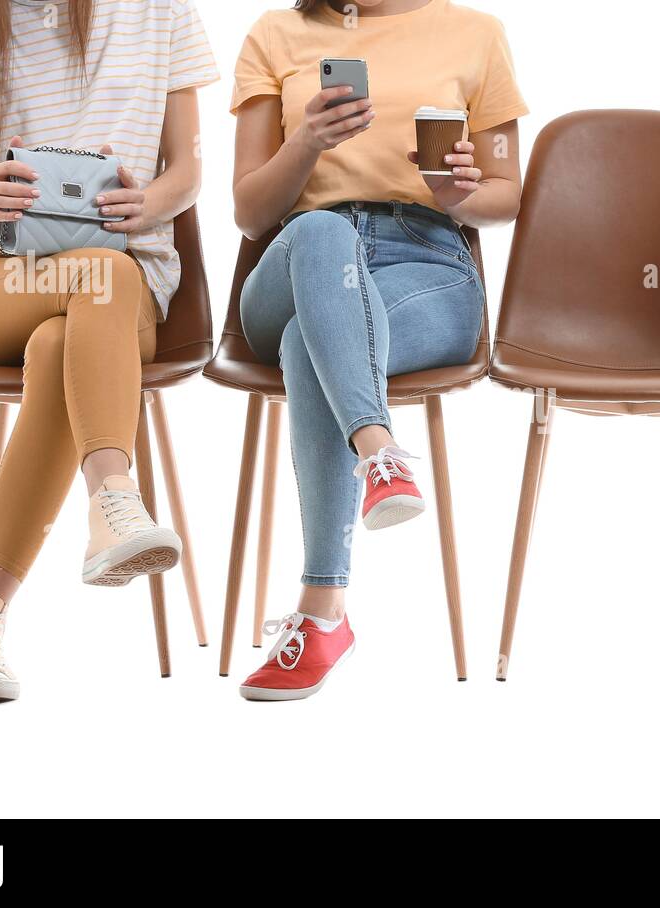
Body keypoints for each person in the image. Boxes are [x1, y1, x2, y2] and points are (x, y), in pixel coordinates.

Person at [0, 0, 218, 702]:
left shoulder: (160, 12)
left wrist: (150, 203)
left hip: (121, 288)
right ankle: (112, 496)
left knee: (66, 333)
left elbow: (187, 171)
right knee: (95, 279)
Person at [229, 0, 526, 700]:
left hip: (426, 261)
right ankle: (378, 450)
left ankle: (321, 612)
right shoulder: (276, 34)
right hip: (299, 260)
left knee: (315, 343)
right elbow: (248, 211)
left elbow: (509, 194)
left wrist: (459, 192)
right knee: (327, 237)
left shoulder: (477, 33)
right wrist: (305, 142)